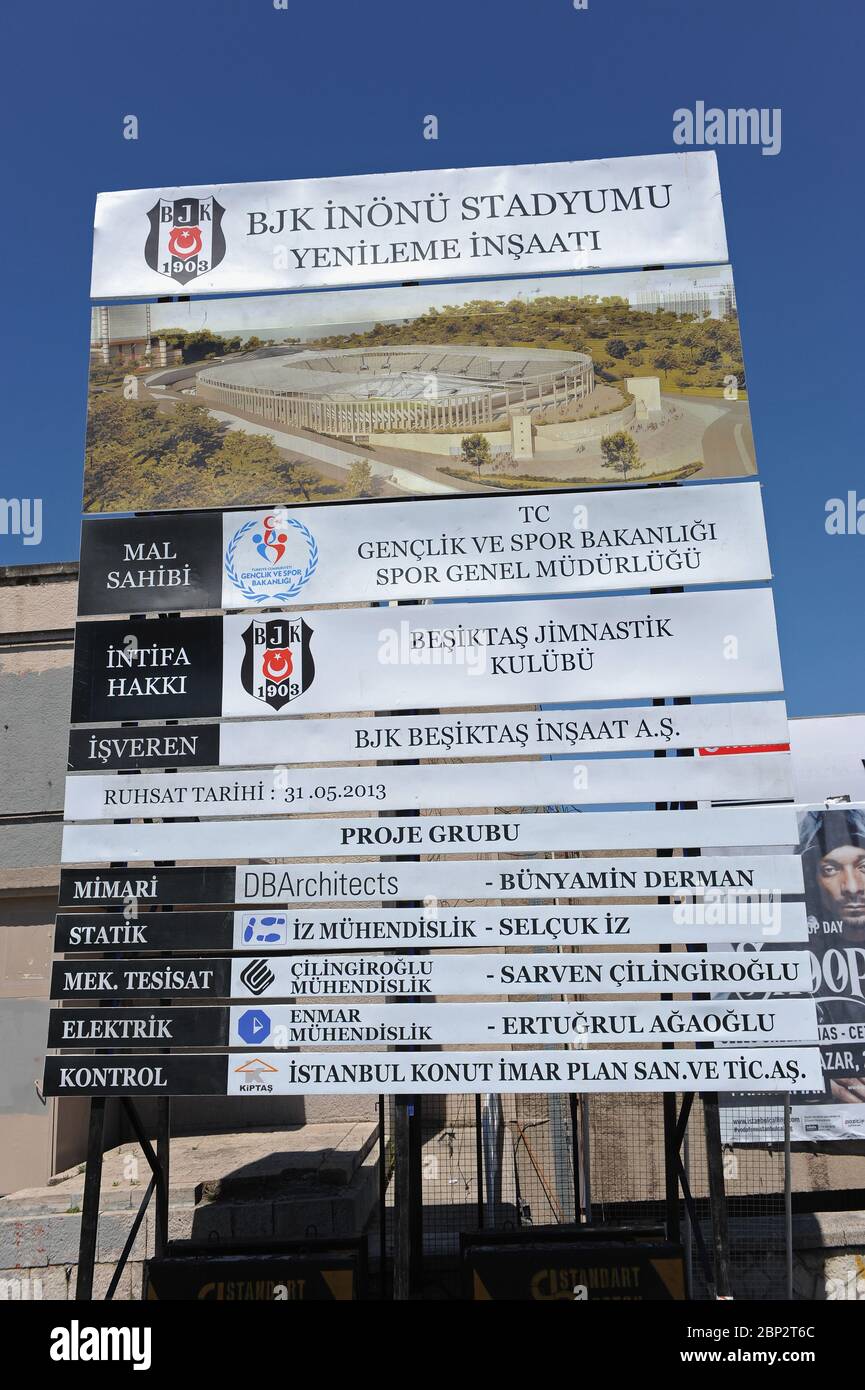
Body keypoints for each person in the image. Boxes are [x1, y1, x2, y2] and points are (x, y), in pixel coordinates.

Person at [800, 808, 865, 1103]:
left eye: (863, 866)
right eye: (830, 869)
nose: (851, 887)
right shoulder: (782, 963)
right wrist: (818, 1083)